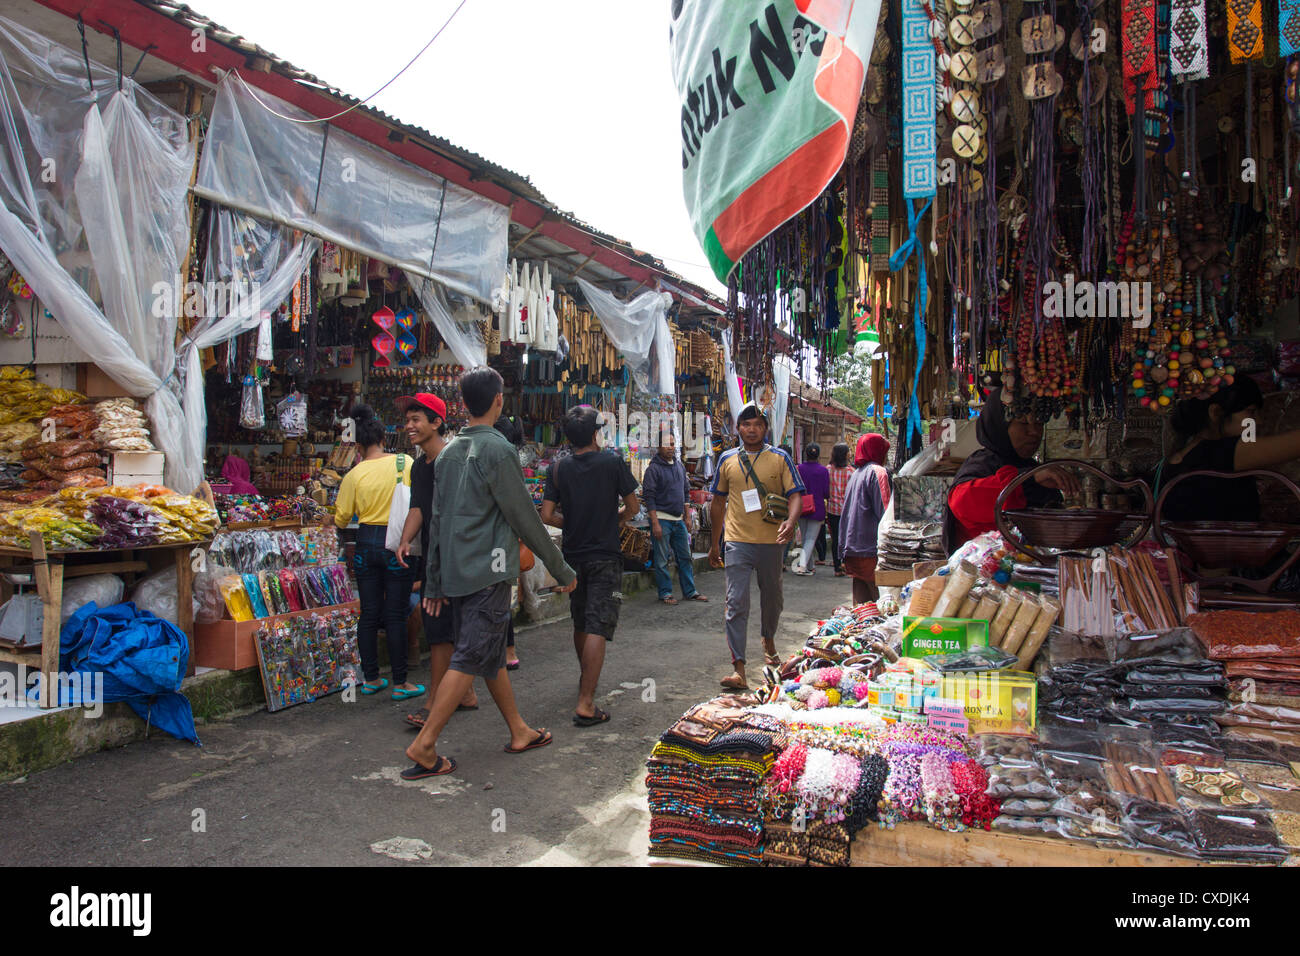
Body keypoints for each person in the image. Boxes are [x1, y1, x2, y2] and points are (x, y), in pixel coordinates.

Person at [403, 368, 576, 779]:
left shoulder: (447, 453)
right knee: (470, 655)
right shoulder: (498, 451)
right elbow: (525, 520)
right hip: (489, 571)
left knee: (489, 651)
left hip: (458, 572)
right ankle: (425, 746)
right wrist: (561, 567)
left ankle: (519, 730)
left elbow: (437, 519)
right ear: (499, 401)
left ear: (462, 405)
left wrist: (433, 578)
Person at [541, 405, 640, 726]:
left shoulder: (557, 469)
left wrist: (570, 524)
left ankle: (586, 681)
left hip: (573, 555)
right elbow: (633, 506)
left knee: (581, 620)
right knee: (598, 624)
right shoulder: (612, 462)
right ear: (597, 433)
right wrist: (615, 520)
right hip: (605, 555)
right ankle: (586, 701)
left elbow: (546, 516)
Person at [394, 393, 479, 727]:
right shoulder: (419, 464)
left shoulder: (451, 460)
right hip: (432, 555)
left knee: (442, 629)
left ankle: (433, 703)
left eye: (417, 420)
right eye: (408, 420)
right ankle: (465, 694)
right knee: (443, 627)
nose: (409, 426)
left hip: (453, 556)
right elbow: (418, 507)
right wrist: (405, 539)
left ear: (437, 423)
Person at [708, 403, 803, 690]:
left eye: (757, 424)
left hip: (772, 542)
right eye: (746, 424)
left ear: (765, 428)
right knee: (735, 603)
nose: (751, 429)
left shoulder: (779, 458)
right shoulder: (726, 460)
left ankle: (768, 639)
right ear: (738, 429)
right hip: (737, 541)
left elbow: (796, 494)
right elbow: (718, 503)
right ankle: (739, 668)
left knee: (772, 599)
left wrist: (792, 520)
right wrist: (715, 544)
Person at [331, 404, 422, 700]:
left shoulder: (354, 475)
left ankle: (370, 678)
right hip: (399, 542)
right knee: (395, 614)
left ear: (358, 445)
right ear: (384, 438)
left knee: (368, 613)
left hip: (365, 543)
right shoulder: (404, 462)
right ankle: (400, 683)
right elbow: (417, 501)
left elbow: (342, 519)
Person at [943, 388, 1082, 552]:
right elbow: (962, 503)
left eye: (1039, 423)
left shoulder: (1035, 469)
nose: (1034, 432)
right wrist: (1028, 480)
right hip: (986, 571)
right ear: (999, 427)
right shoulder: (982, 464)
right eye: (1023, 423)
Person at [1156, 377, 1300, 521]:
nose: (1258, 421)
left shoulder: (1186, 452)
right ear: (1216, 413)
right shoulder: (1219, 453)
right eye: (1251, 412)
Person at [643, 430, 707, 605]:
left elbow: (685, 492)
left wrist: (687, 516)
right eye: (666, 444)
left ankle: (690, 591)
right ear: (659, 447)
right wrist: (654, 522)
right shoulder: (653, 469)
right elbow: (649, 497)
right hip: (662, 519)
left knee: (685, 556)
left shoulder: (679, 466)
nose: (670, 448)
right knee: (662, 559)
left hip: (678, 520)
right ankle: (665, 593)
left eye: (672, 444)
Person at [840, 433, 892, 604]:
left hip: (852, 548)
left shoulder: (855, 474)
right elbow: (886, 513)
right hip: (870, 548)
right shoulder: (878, 472)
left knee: (862, 605)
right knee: (884, 603)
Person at [493, 414, 526, 670]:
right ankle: (508, 650)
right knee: (502, 598)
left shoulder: (501, 459)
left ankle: (505, 649)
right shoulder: (511, 458)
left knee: (497, 598)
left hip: (496, 541)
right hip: (504, 540)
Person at [794, 443, 830, 575]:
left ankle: (809, 566)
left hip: (800, 506)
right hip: (817, 507)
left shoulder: (798, 468)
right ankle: (802, 566)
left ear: (805, 454)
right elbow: (826, 492)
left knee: (805, 538)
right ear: (818, 455)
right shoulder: (823, 471)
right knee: (810, 539)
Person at [825, 442, 852, 577]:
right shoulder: (851, 472)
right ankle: (847, 565)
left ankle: (837, 568)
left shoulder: (828, 469)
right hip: (847, 511)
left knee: (836, 539)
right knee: (847, 538)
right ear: (846, 454)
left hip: (832, 510)